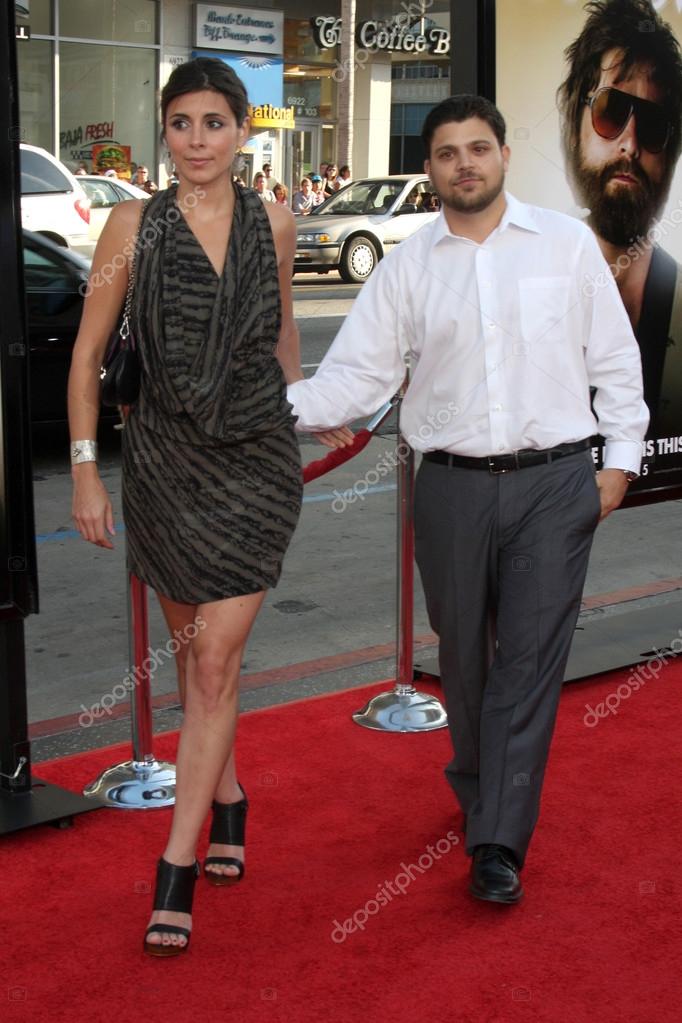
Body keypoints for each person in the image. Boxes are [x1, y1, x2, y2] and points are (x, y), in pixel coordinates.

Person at [286, 95, 648, 904]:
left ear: (505, 155)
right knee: (464, 659)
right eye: (448, 153)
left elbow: (616, 362)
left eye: (478, 148)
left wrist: (617, 465)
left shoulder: (563, 245)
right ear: (431, 169)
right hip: (447, 487)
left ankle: (496, 841)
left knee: (527, 657)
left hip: (556, 484)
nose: (465, 164)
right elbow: (357, 377)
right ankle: (481, 785)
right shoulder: (408, 266)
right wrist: (272, 403)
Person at [68, 56, 305, 955]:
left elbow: (279, 329)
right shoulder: (133, 224)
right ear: (163, 133)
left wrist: (301, 411)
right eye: (181, 123)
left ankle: (175, 869)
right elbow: (88, 353)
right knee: (196, 663)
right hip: (165, 468)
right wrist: (86, 469)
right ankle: (232, 797)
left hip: (254, 466)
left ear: (244, 132)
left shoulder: (274, 221)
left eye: (214, 122)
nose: (197, 140)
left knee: (211, 666)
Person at [557, 0, 682, 443]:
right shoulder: (533, 285)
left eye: (653, 124)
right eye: (611, 111)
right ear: (574, 125)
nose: (629, 144)